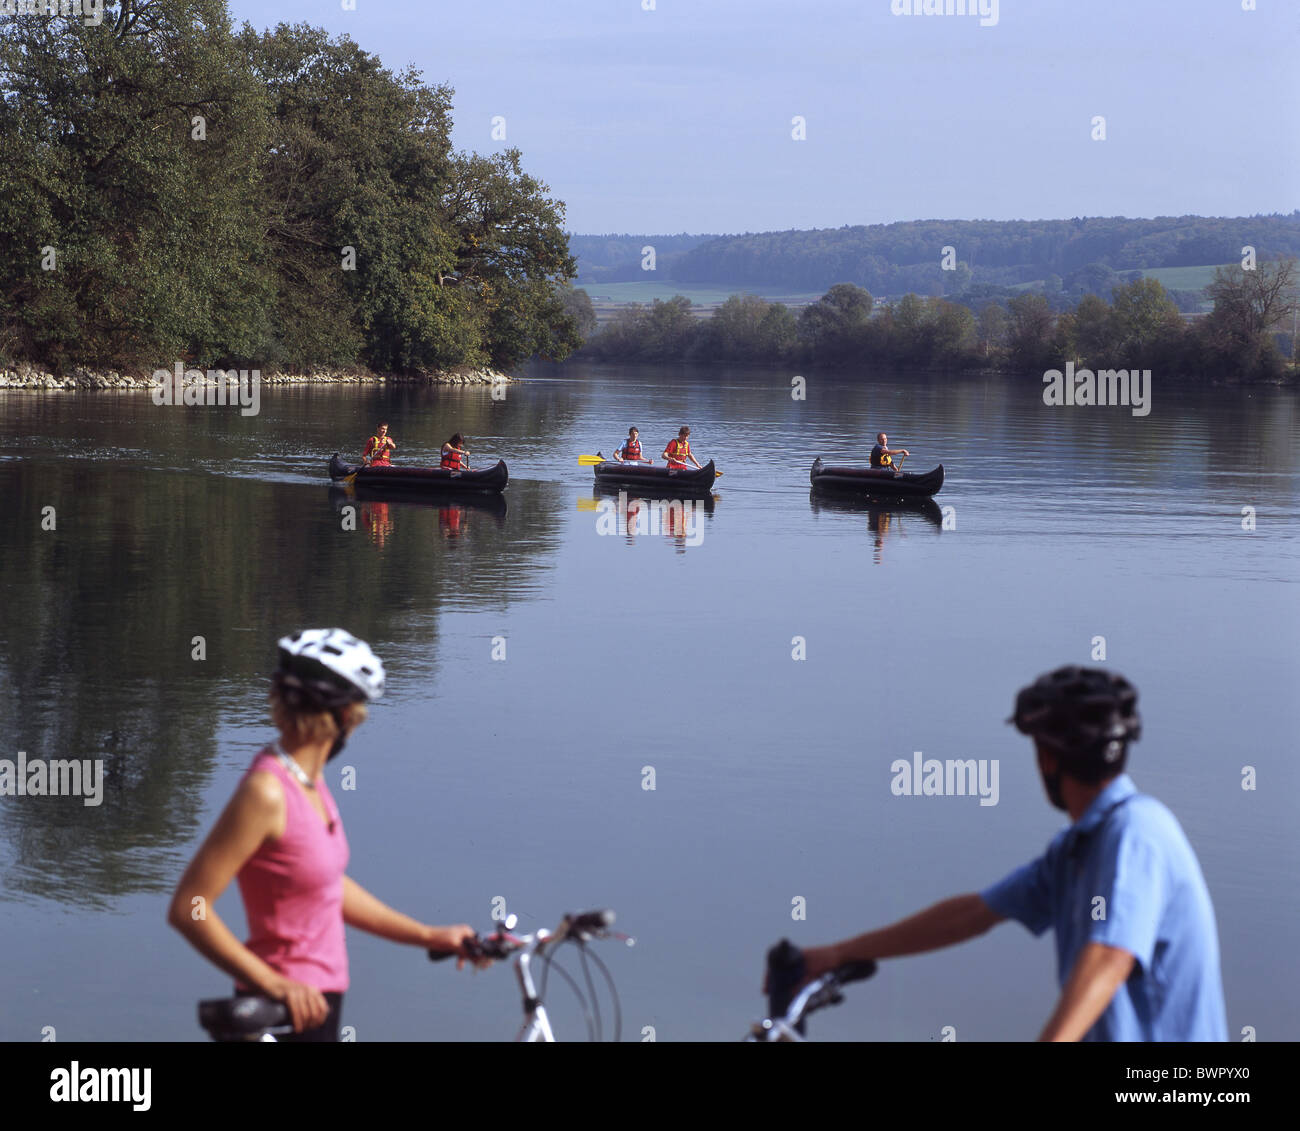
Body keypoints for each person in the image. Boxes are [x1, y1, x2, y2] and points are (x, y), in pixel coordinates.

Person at [794, 666, 1227, 1042]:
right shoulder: (1077, 851)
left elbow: (1110, 957)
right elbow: (971, 915)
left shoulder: (1136, 833)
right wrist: (839, 954)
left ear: (1047, 759)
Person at [168, 629, 483, 1040]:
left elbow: (327, 886)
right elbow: (189, 907)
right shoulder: (266, 793)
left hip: (320, 1006)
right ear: (341, 717)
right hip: (283, 1010)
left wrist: (427, 935)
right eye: (358, 713)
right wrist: (275, 982)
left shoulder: (309, 784)